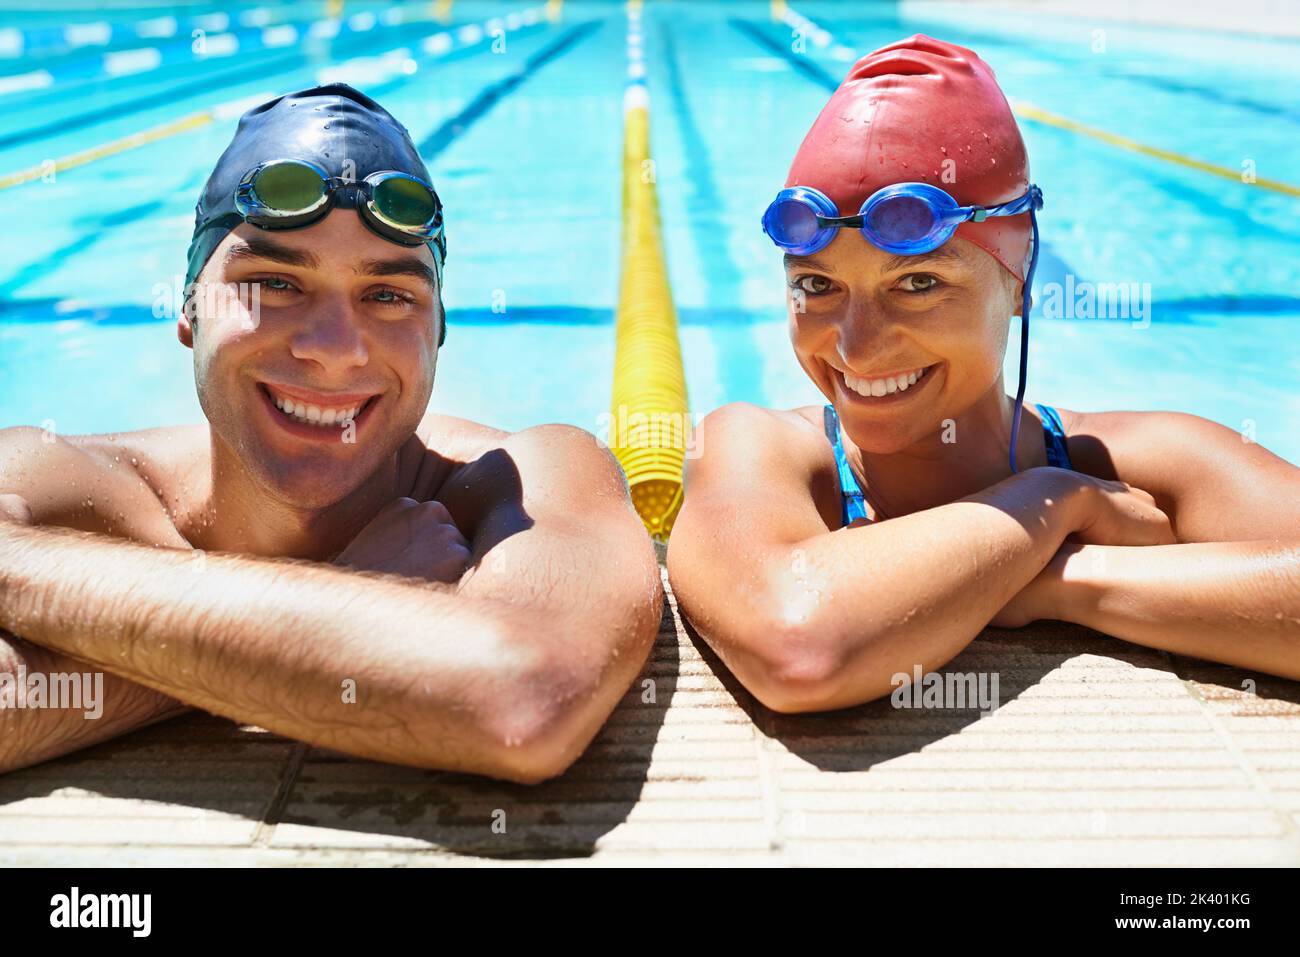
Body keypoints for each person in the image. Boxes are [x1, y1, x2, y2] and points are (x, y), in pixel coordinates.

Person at [0, 84, 662, 783]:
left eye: (387, 295)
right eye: (275, 283)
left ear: (437, 331)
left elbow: (522, 703)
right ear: (191, 308)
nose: (335, 349)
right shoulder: (57, 477)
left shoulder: (525, 479)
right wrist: (353, 596)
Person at [666, 36, 1300, 714]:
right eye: (818, 285)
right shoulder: (759, 448)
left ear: (1020, 277)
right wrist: (1053, 506)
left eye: (916, 283)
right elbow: (799, 649)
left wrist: (1064, 580)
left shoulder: (1160, 457)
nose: (856, 348)